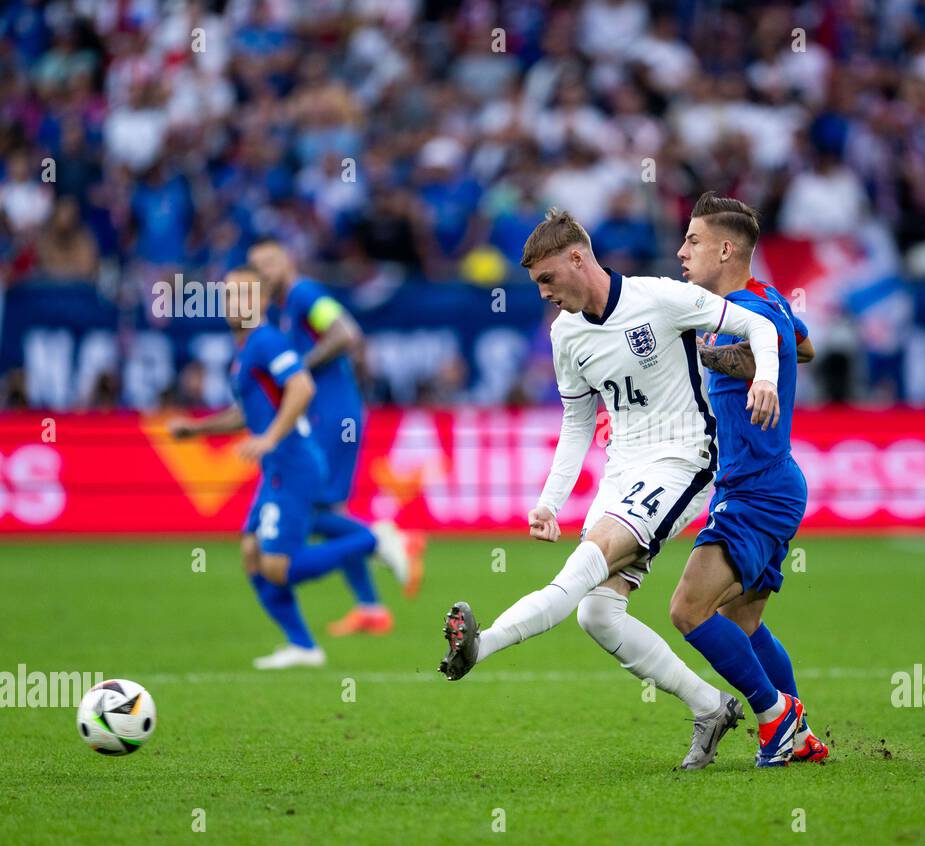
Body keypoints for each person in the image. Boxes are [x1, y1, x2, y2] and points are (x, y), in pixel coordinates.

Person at [438, 207, 784, 769]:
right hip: (623, 471)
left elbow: (762, 327)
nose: (544, 292)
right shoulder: (566, 335)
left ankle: (484, 644)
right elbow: (577, 423)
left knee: (584, 564)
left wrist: (765, 378)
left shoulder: (659, 298)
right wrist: (550, 501)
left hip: (684, 460)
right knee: (597, 614)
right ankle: (709, 705)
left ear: (578, 257)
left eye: (548, 278)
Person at [168, 266, 414, 669]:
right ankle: (303, 646)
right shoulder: (246, 350)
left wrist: (269, 438)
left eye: (244, 295)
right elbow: (248, 412)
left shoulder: (266, 341)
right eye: (228, 296)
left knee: (278, 567)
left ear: (263, 301)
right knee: (252, 554)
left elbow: (302, 387)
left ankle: (375, 542)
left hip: (294, 464)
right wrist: (197, 430)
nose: (234, 303)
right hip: (277, 467)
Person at [673, 191, 828, 767]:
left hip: (755, 488)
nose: (682, 251)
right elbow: (805, 347)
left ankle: (775, 719)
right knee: (744, 618)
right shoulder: (772, 303)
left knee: (689, 610)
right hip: (773, 480)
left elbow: (770, 355)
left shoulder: (750, 313)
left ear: (726, 248)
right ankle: (799, 730)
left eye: (693, 240)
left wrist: (728, 357)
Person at [248, 241, 423, 635]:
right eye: (256, 268)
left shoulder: (305, 294)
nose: (264, 274)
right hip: (324, 414)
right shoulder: (283, 310)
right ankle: (371, 606)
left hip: (332, 416)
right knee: (328, 509)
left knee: (309, 511)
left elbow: (346, 332)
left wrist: (296, 370)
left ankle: (384, 539)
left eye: (269, 264)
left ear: (288, 261)